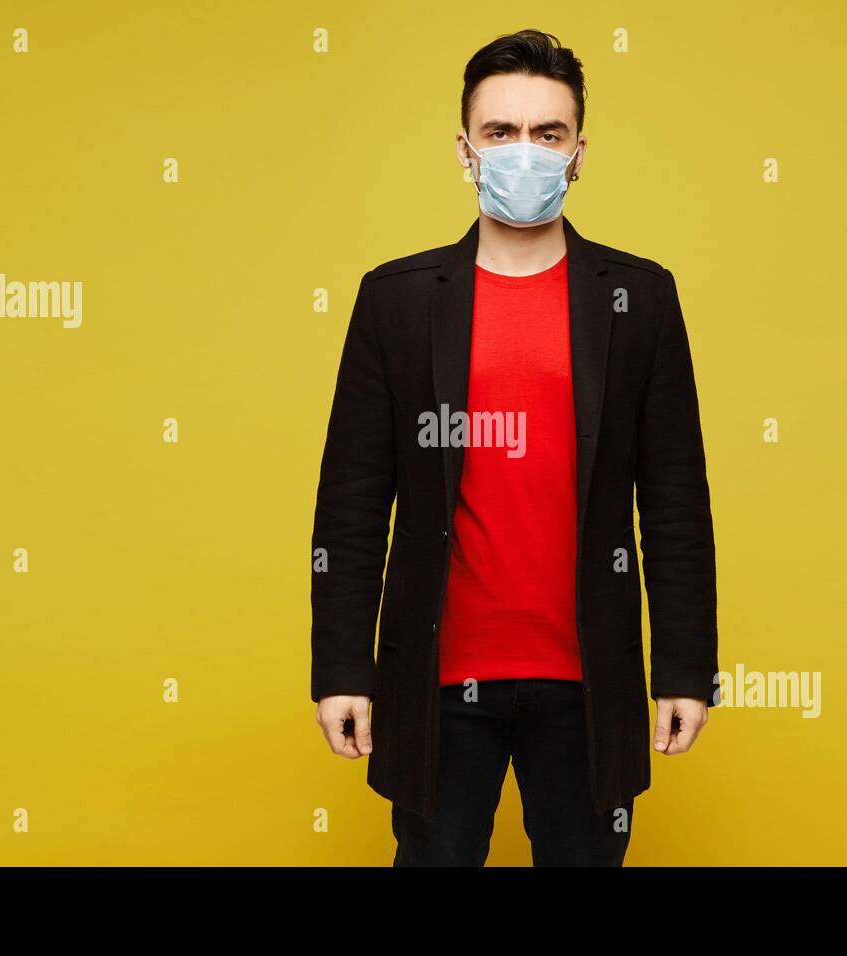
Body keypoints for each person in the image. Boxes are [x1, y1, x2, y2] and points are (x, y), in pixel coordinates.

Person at [310, 28, 719, 866]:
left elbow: (675, 500)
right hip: (436, 678)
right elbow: (352, 502)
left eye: (548, 133)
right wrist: (342, 668)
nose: (523, 152)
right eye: (501, 133)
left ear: (578, 154)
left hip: (587, 679)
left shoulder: (638, 300)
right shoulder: (396, 302)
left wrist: (685, 667)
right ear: (464, 150)